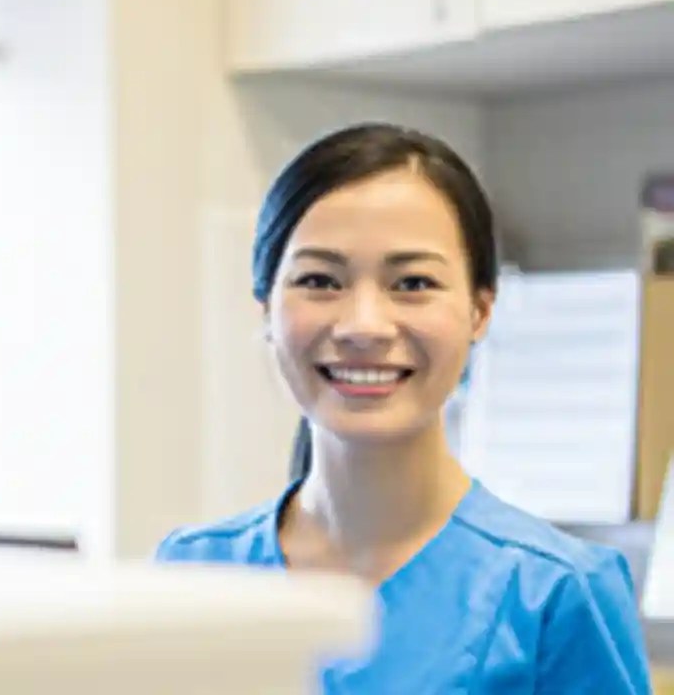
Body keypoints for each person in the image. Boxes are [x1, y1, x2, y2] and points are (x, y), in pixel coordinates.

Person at [155, 123, 651, 693]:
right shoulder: (193, 573)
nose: (364, 325)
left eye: (413, 283)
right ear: (267, 308)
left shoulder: (555, 593)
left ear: (479, 311)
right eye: (320, 280)